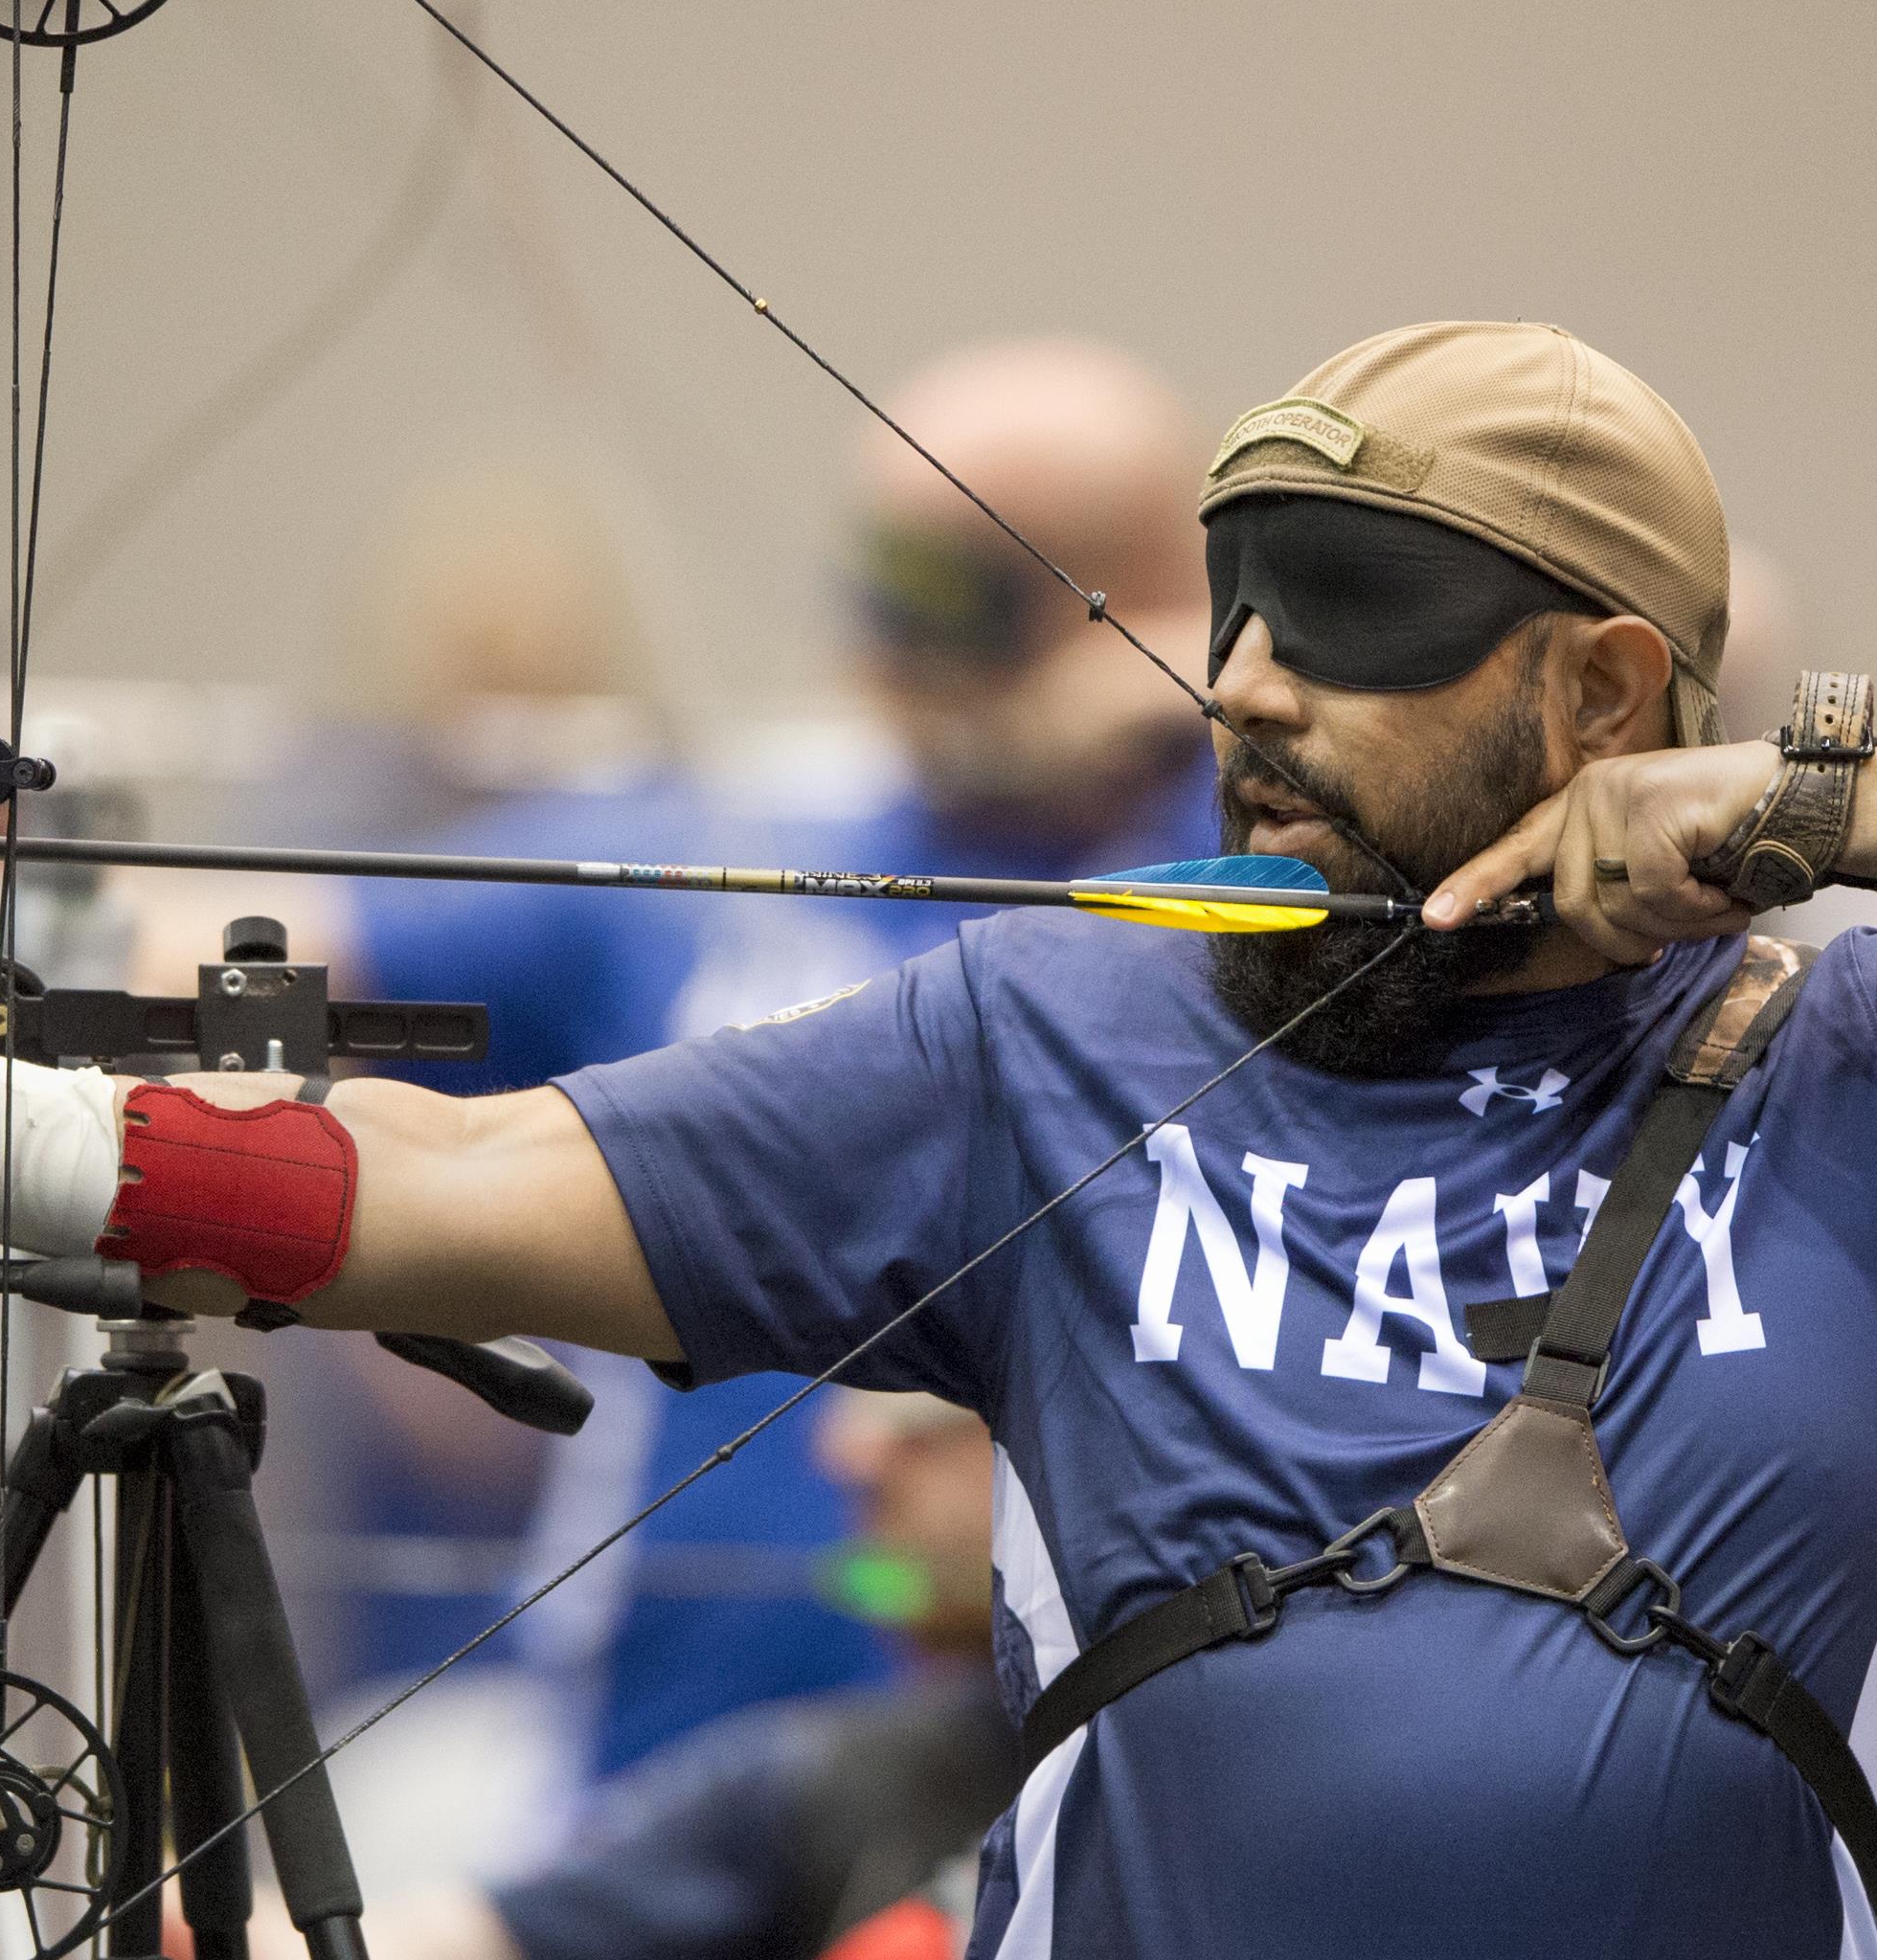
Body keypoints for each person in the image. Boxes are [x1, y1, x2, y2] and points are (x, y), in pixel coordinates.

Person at [0, 319, 1877, 1957]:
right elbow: (408, 1199)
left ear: (1601, 684)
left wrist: (1806, 822)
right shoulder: (1040, 1039)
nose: (1237, 688)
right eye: (1233, 612)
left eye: (1344, 619)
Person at [337, 338, 1217, 1784]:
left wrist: (1203, 695)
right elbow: (249, 939)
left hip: (1094, 1786)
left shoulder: (1273, 888)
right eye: (886, 579)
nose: (890, 646)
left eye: (963, 594)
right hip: (656, 1778)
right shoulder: (730, 855)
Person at [262, 1389, 1016, 1960]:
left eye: (931, 1415)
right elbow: (464, 1938)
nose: (854, 1450)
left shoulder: (1116, 1773)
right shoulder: (827, 1781)